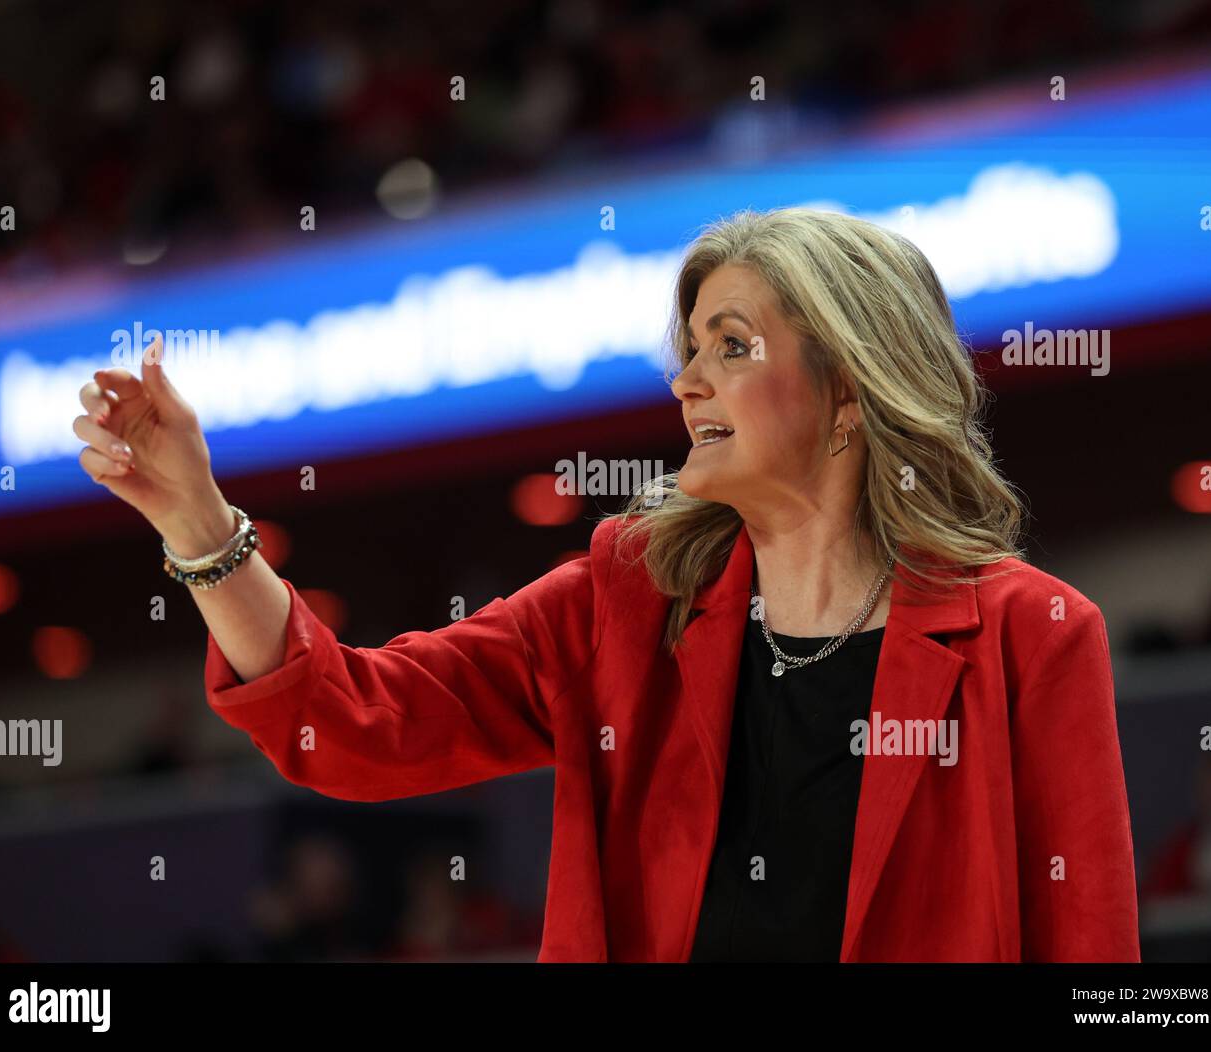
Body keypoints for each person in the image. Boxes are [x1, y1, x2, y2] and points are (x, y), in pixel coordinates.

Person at [73, 206, 1140, 962]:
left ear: (849, 387)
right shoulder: (624, 599)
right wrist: (196, 522)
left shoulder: (1029, 634)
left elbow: (1091, 953)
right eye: (688, 348)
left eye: (730, 344)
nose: (686, 380)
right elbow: (352, 721)